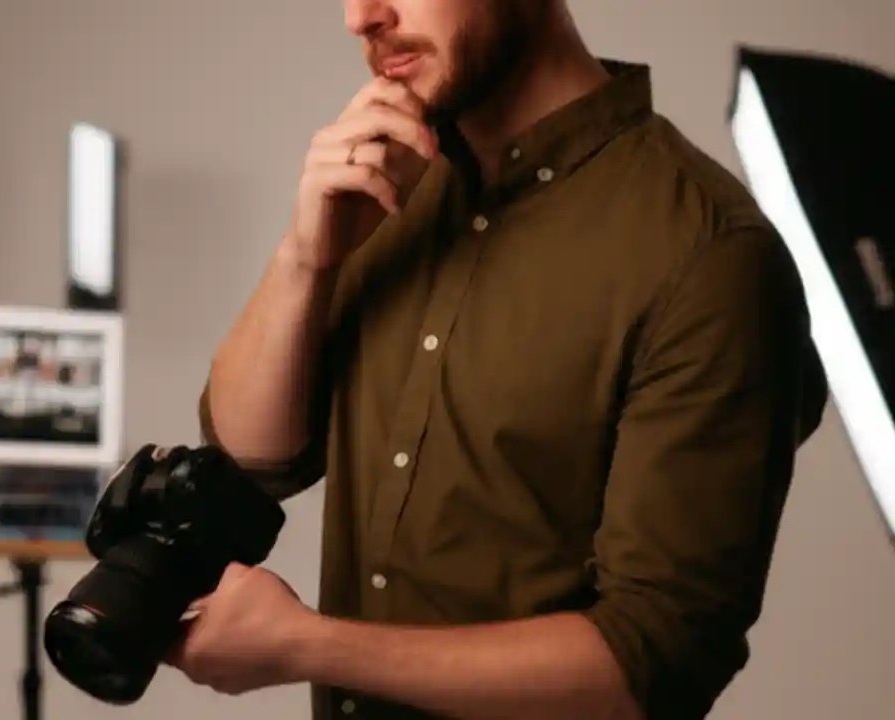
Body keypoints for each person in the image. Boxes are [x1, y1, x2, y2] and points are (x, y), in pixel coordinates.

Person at [170, 1, 826, 718]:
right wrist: (305, 258)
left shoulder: (709, 255)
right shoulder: (387, 180)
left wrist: (306, 646)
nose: (361, 16)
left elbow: (654, 663)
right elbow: (252, 456)